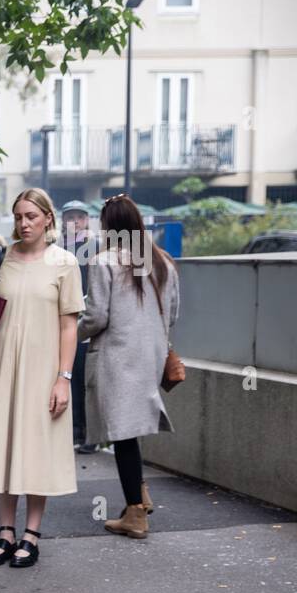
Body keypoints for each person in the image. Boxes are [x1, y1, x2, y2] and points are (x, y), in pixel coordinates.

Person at [0, 188, 84, 568]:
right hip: (1, 368)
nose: (23, 224)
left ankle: (32, 534)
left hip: (44, 372)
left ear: (48, 219)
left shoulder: (65, 263)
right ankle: (6, 533)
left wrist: (63, 378)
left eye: (31, 216)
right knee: (4, 445)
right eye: (18, 217)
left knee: (36, 448)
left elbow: (69, 327)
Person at [78, 194, 180, 539]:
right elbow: (174, 314)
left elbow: (96, 317)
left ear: (109, 227)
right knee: (130, 429)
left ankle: (135, 514)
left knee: (122, 434)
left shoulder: (105, 261)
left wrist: (69, 331)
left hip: (118, 357)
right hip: (149, 356)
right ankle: (140, 495)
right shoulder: (163, 261)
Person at [60, 200, 97, 453]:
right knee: (68, 376)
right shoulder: (56, 248)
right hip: (64, 318)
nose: (74, 222)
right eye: (69, 217)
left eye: (79, 217)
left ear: (86, 220)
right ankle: (74, 430)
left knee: (87, 380)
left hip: (88, 317)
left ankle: (89, 434)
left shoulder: (96, 247)